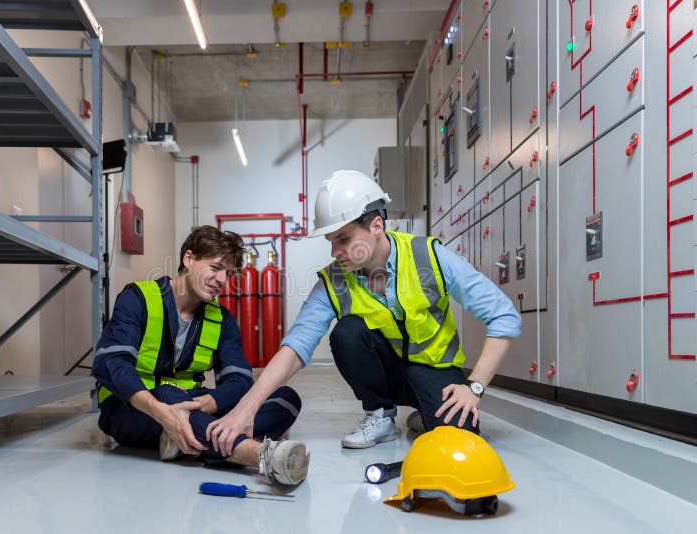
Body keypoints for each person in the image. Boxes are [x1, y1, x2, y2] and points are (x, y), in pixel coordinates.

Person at [206, 170, 521, 454]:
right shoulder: (334, 281)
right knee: (348, 332)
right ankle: (380, 415)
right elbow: (295, 347)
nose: (334, 251)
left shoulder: (428, 256)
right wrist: (246, 408)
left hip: (434, 370)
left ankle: (425, 415)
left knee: (461, 438)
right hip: (386, 376)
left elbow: (503, 316)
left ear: (376, 225)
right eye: (331, 241)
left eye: (343, 239)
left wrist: (474, 386)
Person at [93, 225, 309, 485]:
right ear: (188, 259)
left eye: (228, 274)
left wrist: (207, 404)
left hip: (190, 407)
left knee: (286, 399)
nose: (221, 280)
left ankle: (185, 438)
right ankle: (259, 454)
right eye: (216, 268)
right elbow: (110, 364)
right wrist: (162, 412)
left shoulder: (222, 319)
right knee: (168, 394)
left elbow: (240, 381)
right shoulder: (138, 298)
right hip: (134, 409)